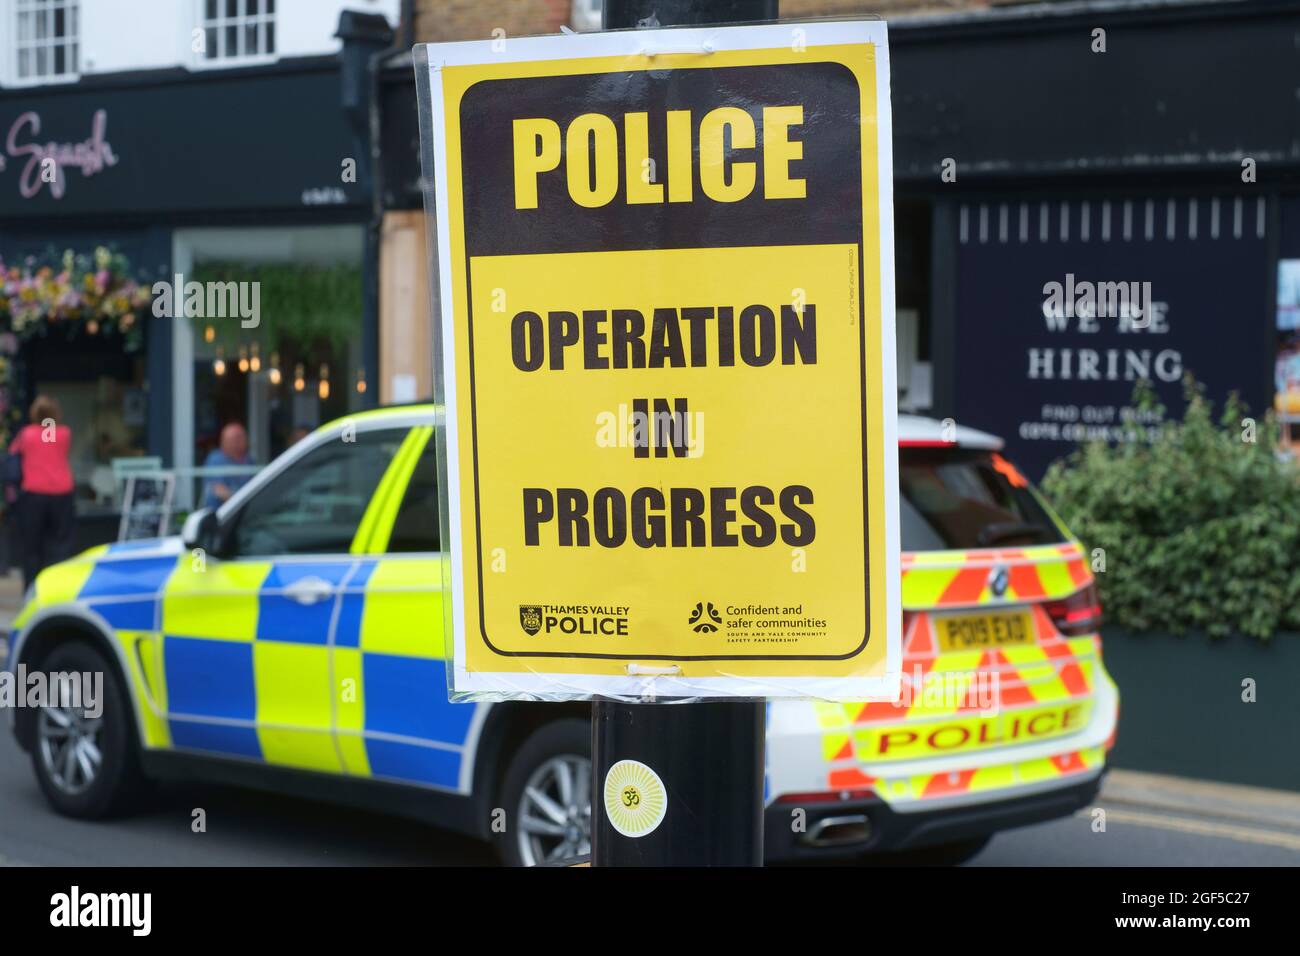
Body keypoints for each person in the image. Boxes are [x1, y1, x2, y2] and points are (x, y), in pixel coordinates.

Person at [8, 396, 76, 589]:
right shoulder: (63, 433)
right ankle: (59, 587)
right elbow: (52, 439)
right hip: (62, 493)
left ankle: (32, 588)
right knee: (60, 544)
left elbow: (13, 455)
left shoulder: (26, 434)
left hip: (34, 494)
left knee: (32, 546)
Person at [202, 422, 254, 510]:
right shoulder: (216, 459)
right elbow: (220, 490)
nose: (240, 441)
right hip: (221, 514)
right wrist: (243, 504)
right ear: (224, 441)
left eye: (242, 437)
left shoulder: (249, 460)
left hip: (244, 513)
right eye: (236, 438)